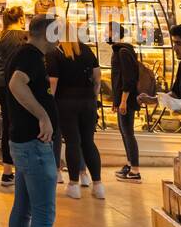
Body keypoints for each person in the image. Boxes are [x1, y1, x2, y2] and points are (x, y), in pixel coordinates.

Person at [6, 15, 82, 227]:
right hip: (34, 146)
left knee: (23, 210)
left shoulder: (24, 54)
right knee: (42, 215)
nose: (60, 40)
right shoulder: (31, 57)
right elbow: (16, 84)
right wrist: (43, 116)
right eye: (57, 34)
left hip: (23, 143)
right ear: (47, 34)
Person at [46, 32, 104, 199]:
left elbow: (53, 82)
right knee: (88, 142)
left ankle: (73, 185)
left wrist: (49, 103)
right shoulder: (87, 50)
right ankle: (98, 185)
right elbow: (97, 78)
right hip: (88, 101)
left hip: (66, 102)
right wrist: (92, 96)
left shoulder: (55, 53)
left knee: (72, 142)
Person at [0, 5, 28, 187]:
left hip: (1, 84)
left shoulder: (0, 37)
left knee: (7, 123)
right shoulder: (24, 37)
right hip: (19, 84)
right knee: (21, 124)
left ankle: (7, 171)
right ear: (21, 19)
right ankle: (21, 170)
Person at [110, 26, 142, 181]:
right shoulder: (120, 50)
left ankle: (135, 170)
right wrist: (116, 101)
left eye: (108, 31)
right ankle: (129, 165)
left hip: (127, 100)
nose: (105, 34)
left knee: (128, 133)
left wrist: (123, 101)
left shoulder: (123, 52)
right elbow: (118, 78)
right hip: (123, 99)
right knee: (125, 133)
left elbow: (128, 79)